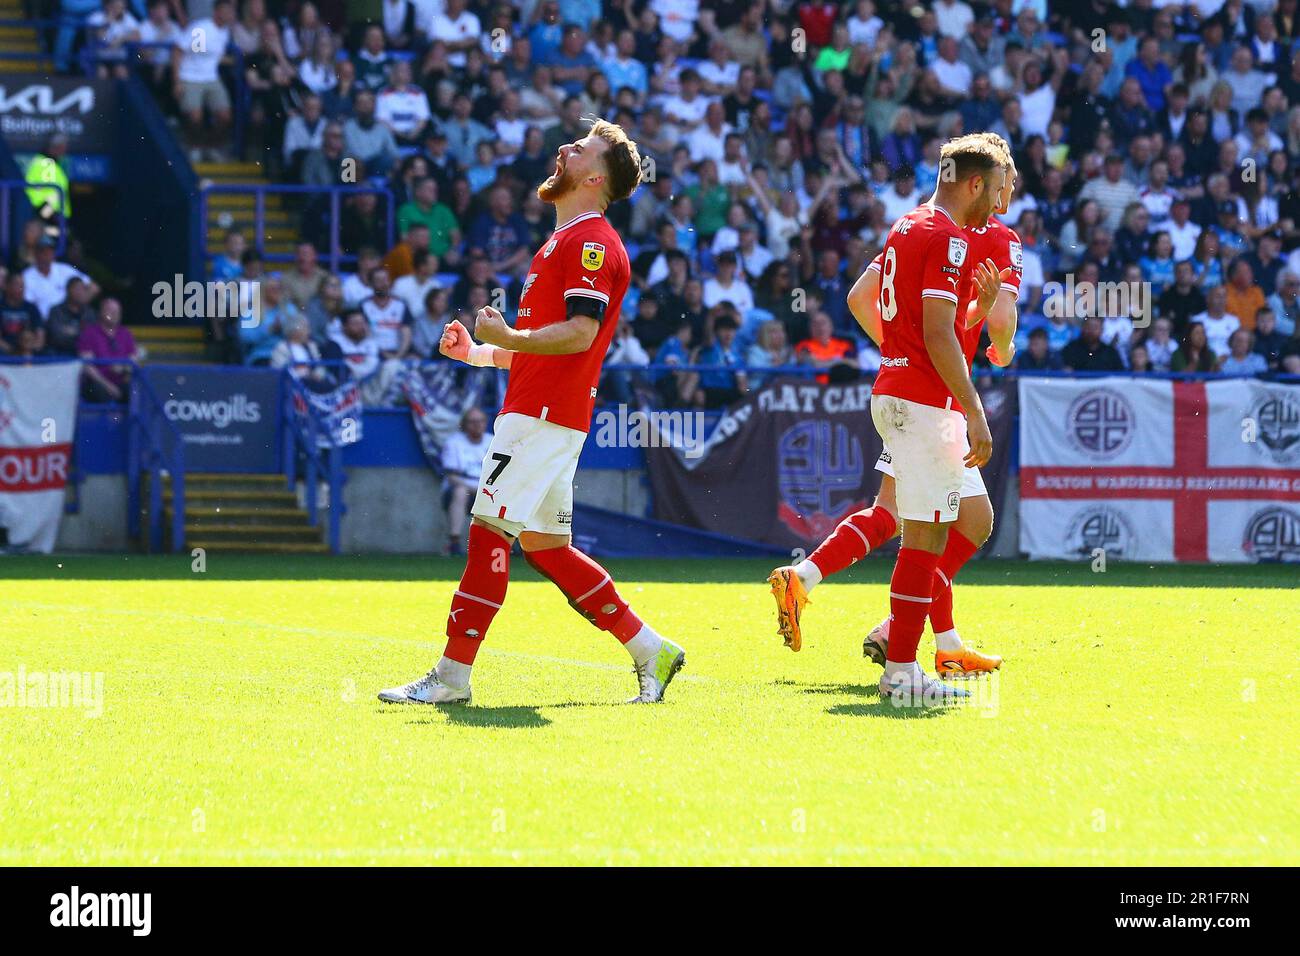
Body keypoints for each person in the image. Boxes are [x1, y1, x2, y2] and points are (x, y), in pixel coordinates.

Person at [379, 119, 686, 707]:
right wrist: (478, 353)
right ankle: (651, 650)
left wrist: (512, 338)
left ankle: (451, 675)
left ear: (594, 176)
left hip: (541, 417)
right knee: (547, 548)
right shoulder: (561, 240)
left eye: (582, 148)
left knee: (487, 531)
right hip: (546, 410)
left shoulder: (589, 243)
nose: (565, 149)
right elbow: (549, 348)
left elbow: (578, 334)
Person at [771, 133, 1010, 706]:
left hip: (897, 390)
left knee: (918, 525)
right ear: (974, 183)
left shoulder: (906, 225)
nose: (999, 203)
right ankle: (902, 671)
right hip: (926, 400)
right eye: (997, 190)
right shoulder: (950, 237)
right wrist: (975, 410)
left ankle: (915, 649)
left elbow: (885, 308)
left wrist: (901, 355)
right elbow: (938, 333)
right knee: (924, 534)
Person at [171, 0, 235, 162]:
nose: (229, 14)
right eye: (226, 10)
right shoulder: (201, 29)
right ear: (217, 11)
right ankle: (195, 147)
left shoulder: (225, 32)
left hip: (211, 77)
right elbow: (179, 51)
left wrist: (228, 60)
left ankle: (212, 147)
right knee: (195, 116)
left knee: (225, 115)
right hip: (190, 77)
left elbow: (212, 55)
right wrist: (177, 81)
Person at [441, 407, 493, 555]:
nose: (477, 425)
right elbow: (451, 476)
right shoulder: (454, 443)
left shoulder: (493, 442)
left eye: (480, 421)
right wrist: (477, 489)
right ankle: (454, 542)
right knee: (460, 492)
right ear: (464, 424)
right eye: (472, 422)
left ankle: (504, 545)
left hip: (488, 488)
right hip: (462, 487)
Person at [77, 298, 141, 402]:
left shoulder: (125, 333)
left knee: (134, 390)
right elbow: (87, 367)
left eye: (117, 312)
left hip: (120, 381)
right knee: (98, 391)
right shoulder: (89, 333)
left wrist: (124, 368)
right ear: (101, 312)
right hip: (97, 383)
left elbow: (133, 361)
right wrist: (109, 386)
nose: (115, 314)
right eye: (111, 311)